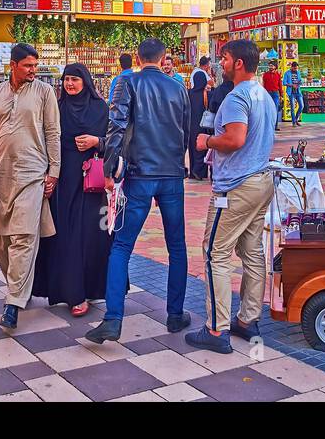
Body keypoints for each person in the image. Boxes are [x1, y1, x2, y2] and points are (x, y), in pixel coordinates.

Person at [86, 38, 191, 344]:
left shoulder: (127, 83)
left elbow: (116, 127)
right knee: (177, 245)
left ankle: (113, 318)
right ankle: (175, 314)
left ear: (137, 57)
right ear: (163, 58)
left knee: (121, 246)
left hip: (140, 173)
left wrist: (108, 170)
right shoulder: (178, 88)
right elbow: (184, 131)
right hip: (171, 174)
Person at [188, 39, 279, 353]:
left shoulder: (237, 96)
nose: (221, 63)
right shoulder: (265, 96)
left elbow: (235, 138)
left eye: (224, 58)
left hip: (236, 187)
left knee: (215, 252)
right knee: (252, 252)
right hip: (261, 181)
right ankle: (248, 318)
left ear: (239, 63)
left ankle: (216, 328)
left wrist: (207, 142)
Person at [0, 43, 61, 332]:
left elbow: (53, 132)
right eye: (27, 66)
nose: (33, 71)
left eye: (35, 66)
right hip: (0, 174)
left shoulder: (44, 92)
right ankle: (16, 287)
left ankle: (13, 302)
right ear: (12, 66)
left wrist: (54, 171)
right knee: (1, 238)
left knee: (24, 236)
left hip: (32, 174)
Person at [33, 63, 111, 317]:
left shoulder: (100, 108)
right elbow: (45, 139)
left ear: (85, 81)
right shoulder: (57, 108)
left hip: (91, 181)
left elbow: (116, 141)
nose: (70, 84)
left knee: (89, 235)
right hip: (63, 180)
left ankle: (88, 290)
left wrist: (95, 141)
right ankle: (70, 293)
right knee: (64, 234)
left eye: (75, 79)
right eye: (67, 79)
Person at [187, 56, 212, 181]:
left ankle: (193, 171)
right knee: (202, 147)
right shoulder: (207, 93)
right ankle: (200, 171)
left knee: (192, 148)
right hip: (203, 125)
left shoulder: (189, 93)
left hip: (191, 126)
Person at [262, 61, 283, 132]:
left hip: (275, 94)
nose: (270, 67)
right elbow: (263, 85)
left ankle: (275, 126)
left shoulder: (278, 75)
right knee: (267, 110)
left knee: (275, 110)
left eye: (271, 66)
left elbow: (280, 85)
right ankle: (268, 126)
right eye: (269, 66)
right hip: (267, 93)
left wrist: (281, 95)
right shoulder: (265, 74)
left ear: (275, 67)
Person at [284, 61, 304, 127]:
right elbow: (284, 83)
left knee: (301, 106)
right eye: (295, 68)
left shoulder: (298, 72)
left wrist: (300, 82)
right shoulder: (287, 73)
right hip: (291, 92)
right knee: (292, 107)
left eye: (297, 68)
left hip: (298, 91)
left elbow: (301, 80)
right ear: (291, 67)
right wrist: (292, 85)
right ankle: (294, 122)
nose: (296, 69)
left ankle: (296, 119)